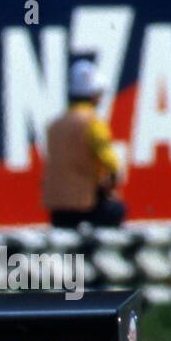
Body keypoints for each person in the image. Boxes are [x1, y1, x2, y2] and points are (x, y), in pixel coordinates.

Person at [42, 59, 126, 229]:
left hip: (57, 208)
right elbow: (112, 163)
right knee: (116, 210)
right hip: (85, 205)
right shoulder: (93, 123)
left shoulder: (54, 125)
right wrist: (111, 183)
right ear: (94, 95)